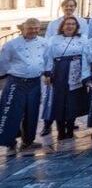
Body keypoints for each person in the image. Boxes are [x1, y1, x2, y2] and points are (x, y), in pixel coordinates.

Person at [0, 18, 48, 151]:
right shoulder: (11, 44)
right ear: (23, 29)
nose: (33, 31)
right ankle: (9, 141)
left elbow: (46, 59)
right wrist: (10, 73)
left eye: (36, 28)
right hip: (16, 82)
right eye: (30, 28)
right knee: (11, 111)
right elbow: (3, 62)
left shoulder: (44, 43)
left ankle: (28, 141)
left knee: (32, 112)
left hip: (35, 82)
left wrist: (47, 74)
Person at [44, 16, 89, 140]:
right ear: (62, 26)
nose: (70, 26)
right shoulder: (54, 39)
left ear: (77, 26)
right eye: (67, 24)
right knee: (59, 100)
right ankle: (60, 130)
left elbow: (86, 56)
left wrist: (85, 75)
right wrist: (47, 73)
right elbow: (48, 56)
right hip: (59, 71)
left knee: (72, 101)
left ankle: (70, 128)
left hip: (76, 70)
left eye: (73, 24)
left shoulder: (83, 39)